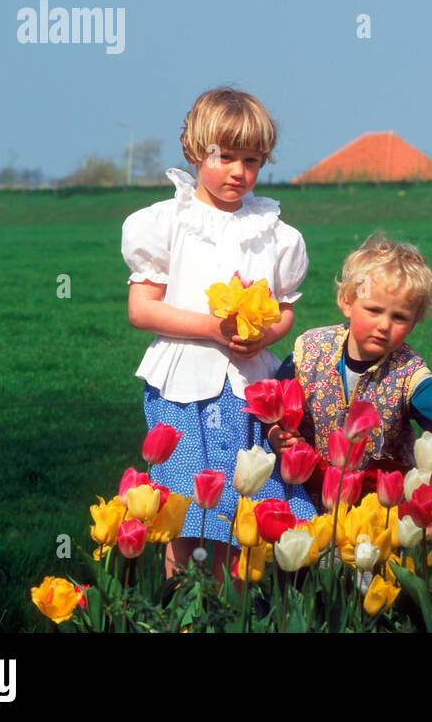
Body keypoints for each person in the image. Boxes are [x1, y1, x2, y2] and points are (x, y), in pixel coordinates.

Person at [122, 87, 315, 577]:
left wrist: (265, 336)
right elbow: (142, 310)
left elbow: (285, 312)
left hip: (251, 395)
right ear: (194, 152)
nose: (238, 172)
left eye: (251, 160)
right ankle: (182, 607)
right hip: (183, 392)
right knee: (185, 514)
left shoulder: (275, 234)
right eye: (224, 157)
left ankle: (233, 611)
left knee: (241, 515)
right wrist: (212, 328)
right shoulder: (167, 223)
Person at [268, 233, 432, 489]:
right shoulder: (309, 352)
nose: (384, 325)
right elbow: (273, 406)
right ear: (347, 303)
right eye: (374, 310)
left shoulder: (410, 375)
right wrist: (276, 433)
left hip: (377, 499)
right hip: (309, 487)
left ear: (413, 324)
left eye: (399, 317)